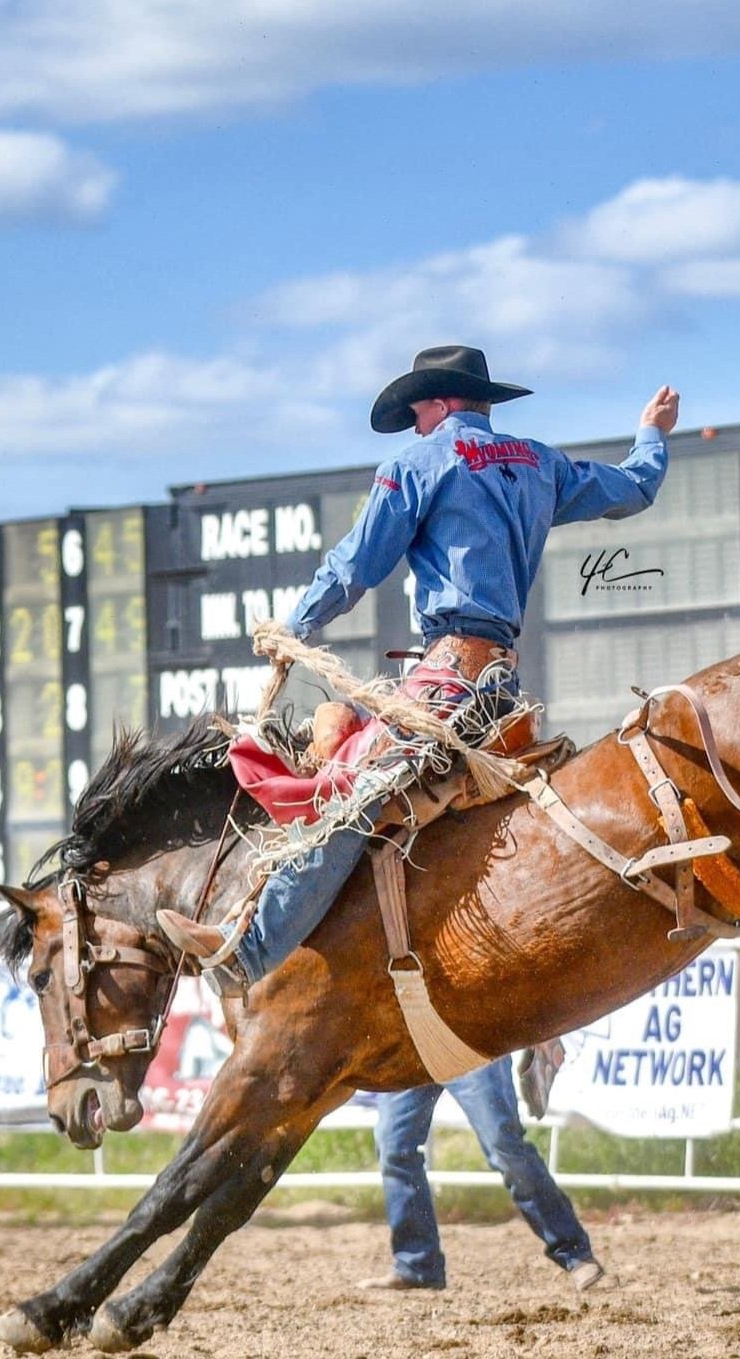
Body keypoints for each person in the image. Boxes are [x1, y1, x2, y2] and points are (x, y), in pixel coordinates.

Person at [160, 346, 680, 991]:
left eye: (417, 410)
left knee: (352, 794)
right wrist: (651, 435)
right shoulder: (540, 463)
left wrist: (294, 626)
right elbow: (633, 491)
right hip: (499, 685)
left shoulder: (417, 465)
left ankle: (254, 949)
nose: (414, 424)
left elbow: (356, 566)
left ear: (441, 401)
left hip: (450, 675)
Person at [360, 1058, 604, 1294]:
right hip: (412, 1044)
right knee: (393, 1147)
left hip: (467, 1041)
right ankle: (416, 1264)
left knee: (504, 1147)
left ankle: (576, 1255)